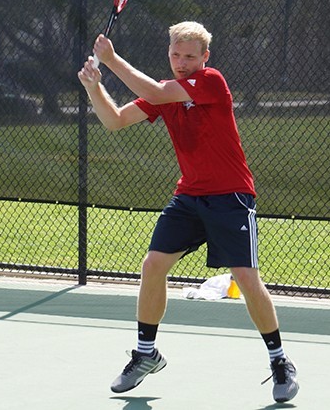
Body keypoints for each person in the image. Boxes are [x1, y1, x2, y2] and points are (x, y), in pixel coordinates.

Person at [76, 21, 299, 403]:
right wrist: (93, 86)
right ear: (169, 53)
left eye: (190, 56)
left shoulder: (211, 81)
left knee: (245, 277)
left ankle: (280, 361)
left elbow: (156, 89)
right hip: (190, 197)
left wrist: (111, 59)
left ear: (204, 58)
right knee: (152, 265)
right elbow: (114, 121)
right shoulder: (166, 94)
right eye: (176, 55)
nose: (182, 62)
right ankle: (146, 354)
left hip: (231, 197)